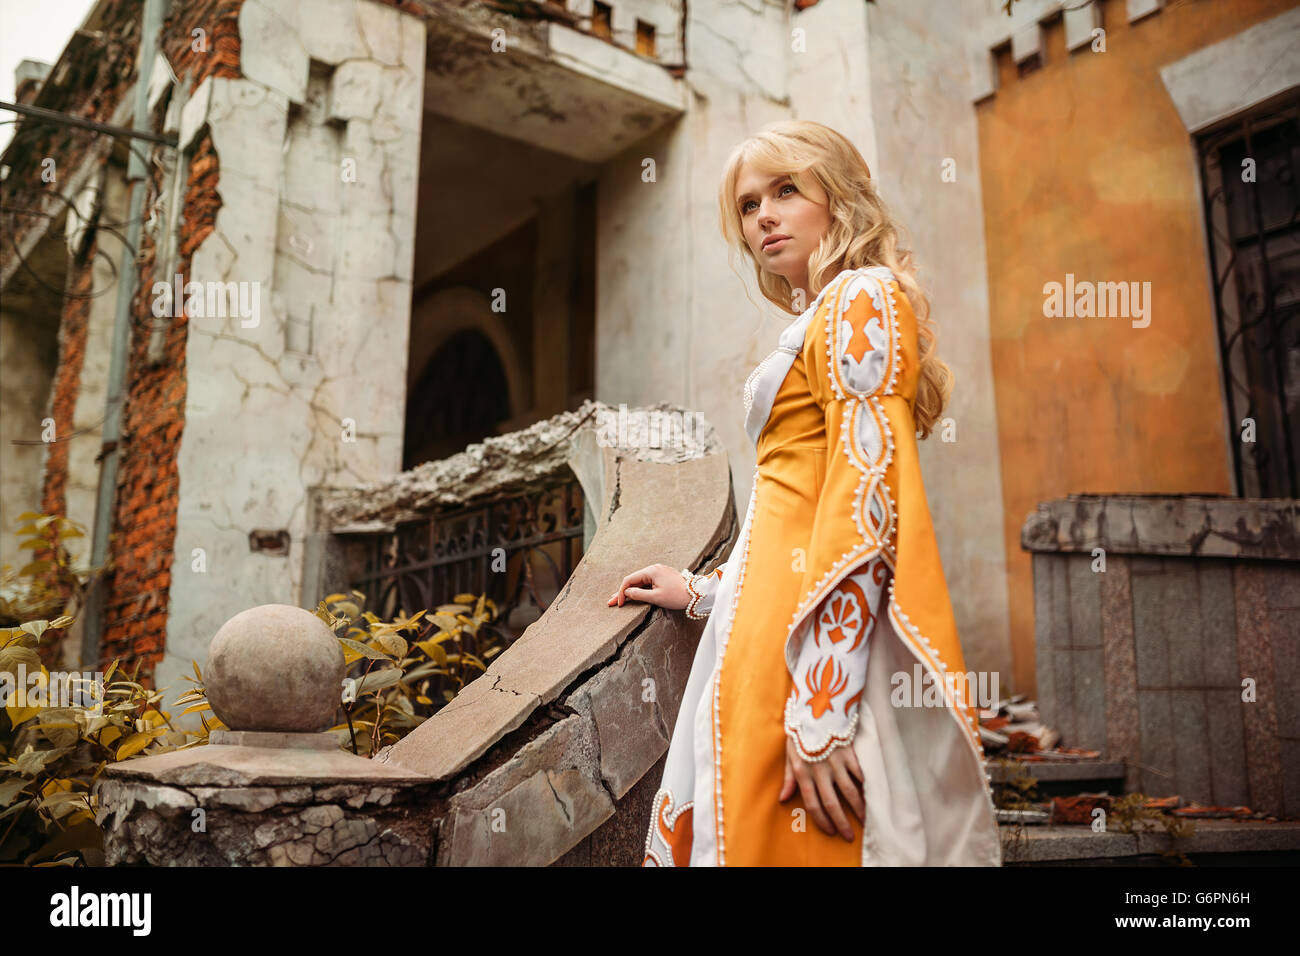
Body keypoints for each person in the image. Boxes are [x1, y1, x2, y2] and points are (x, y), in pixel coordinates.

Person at [608, 120, 1002, 866]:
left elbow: (863, 508)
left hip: (807, 652)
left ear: (840, 197)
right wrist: (700, 591)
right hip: (764, 631)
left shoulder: (864, 296)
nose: (763, 215)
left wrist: (822, 712)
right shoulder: (818, 318)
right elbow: (791, 515)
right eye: (749, 204)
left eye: (786, 190)